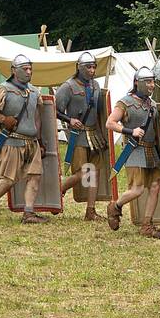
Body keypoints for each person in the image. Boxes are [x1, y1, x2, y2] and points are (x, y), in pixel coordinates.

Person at [0, 53, 46, 224]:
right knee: (8, 179)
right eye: (25, 69)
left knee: (35, 176)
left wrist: (40, 139)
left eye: (30, 68)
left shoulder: (33, 91)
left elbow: (37, 116)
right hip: (12, 140)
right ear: (15, 71)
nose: (29, 72)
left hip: (32, 142)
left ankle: (28, 213)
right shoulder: (3, 89)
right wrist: (3, 120)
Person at [104, 65, 160, 237]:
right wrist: (130, 131)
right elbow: (110, 123)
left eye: (153, 81)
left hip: (151, 151)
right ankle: (115, 206)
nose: (151, 85)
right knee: (137, 189)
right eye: (148, 81)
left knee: (155, 186)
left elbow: (157, 132)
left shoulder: (153, 105)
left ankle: (147, 225)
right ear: (137, 83)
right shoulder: (125, 102)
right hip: (134, 150)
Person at [55, 51, 107, 222]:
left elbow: (101, 111)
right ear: (79, 67)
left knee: (95, 172)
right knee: (83, 172)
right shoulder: (67, 87)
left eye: (93, 67)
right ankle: (58, 192)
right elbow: (55, 110)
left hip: (94, 133)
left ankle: (90, 211)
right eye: (88, 67)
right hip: (78, 135)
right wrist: (69, 120)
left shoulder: (96, 86)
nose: (92, 70)